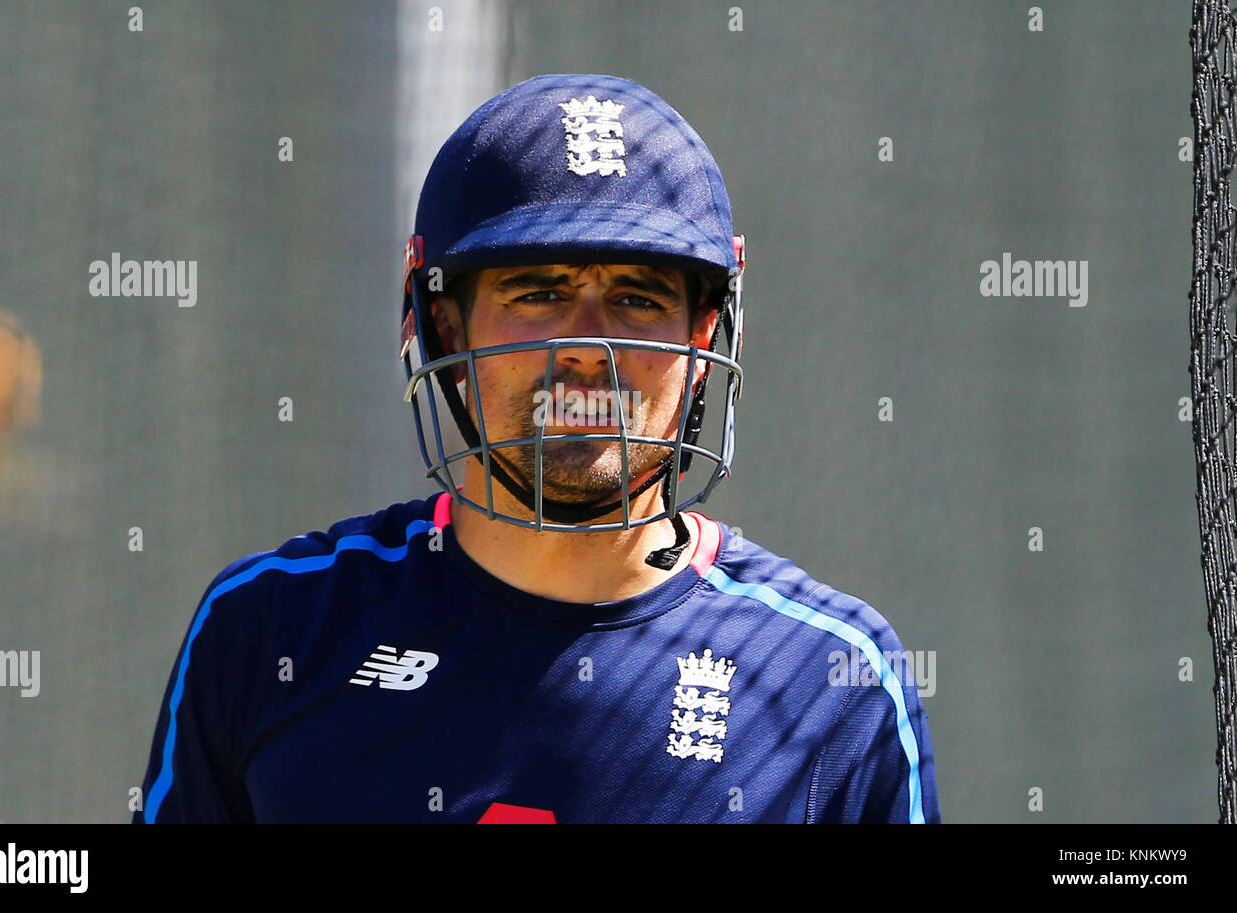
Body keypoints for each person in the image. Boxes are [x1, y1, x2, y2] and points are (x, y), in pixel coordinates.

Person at [134, 73, 940, 823]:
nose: (587, 347)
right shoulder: (273, 628)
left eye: (637, 297)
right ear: (446, 326)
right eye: (539, 292)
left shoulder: (832, 678)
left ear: (702, 339)